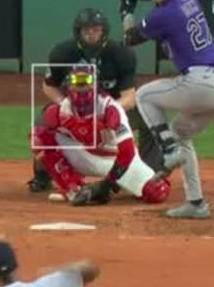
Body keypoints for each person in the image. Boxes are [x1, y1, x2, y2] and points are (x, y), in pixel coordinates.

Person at [120, 0, 214, 220]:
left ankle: (168, 149)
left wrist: (126, 12)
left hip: (199, 84)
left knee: (144, 95)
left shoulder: (161, 16)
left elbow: (130, 38)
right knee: (182, 134)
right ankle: (196, 203)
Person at [27, 6, 146, 191]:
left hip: (113, 111)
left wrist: (106, 112)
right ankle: (43, 175)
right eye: (86, 30)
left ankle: (146, 169)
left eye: (96, 30)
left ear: (104, 31)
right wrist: (64, 104)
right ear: (78, 32)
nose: (91, 34)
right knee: (41, 123)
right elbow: (48, 86)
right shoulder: (62, 52)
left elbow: (129, 98)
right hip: (76, 110)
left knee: (149, 116)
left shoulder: (121, 55)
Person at [31, 63, 172, 206]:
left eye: (86, 81)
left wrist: (108, 184)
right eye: (76, 81)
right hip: (86, 155)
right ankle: (73, 188)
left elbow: (127, 152)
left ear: (95, 85)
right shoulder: (62, 110)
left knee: (157, 191)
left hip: (117, 160)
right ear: (68, 85)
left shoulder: (110, 108)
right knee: (38, 136)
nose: (81, 86)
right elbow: (46, 140)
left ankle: (114, 185)